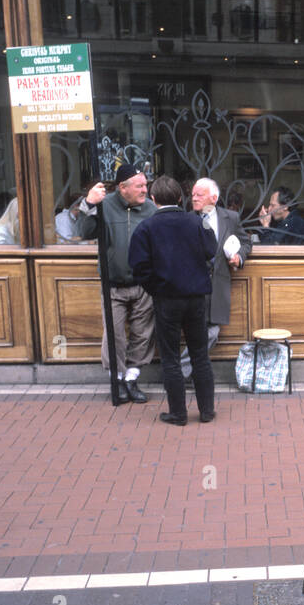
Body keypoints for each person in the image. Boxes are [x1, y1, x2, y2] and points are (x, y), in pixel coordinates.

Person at [128, 174, 217, 426]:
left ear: (153, 199)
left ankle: (178, 413)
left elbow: (139, 267)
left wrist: (156, 288)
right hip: (196, 297)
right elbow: (211, 249)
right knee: (200, 354)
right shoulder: (197, 222)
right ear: (181, 197)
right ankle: (207, 411)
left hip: (167, 299)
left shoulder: (145, 227)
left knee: (170, 357)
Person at [76, 162, 157, 403]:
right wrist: (89, 204)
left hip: (143, 284)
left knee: (143, 334)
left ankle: (132, 378)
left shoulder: (150, 209)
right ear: (123, 187)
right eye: (139, 185)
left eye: (145, 185)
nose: (145, 190)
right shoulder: (105, 205)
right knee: (114, 335)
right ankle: (117, 379)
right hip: (113, 284)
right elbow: (85, 231)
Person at [180, 177, 253, 385]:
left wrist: (239, 257)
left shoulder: (231, 218)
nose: (193, 198)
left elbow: (246, 242)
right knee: (197, 332)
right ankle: (187, 374)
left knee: (212, 332)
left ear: (214, 197)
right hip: (192, 286)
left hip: (218, 285)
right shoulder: (186, 219)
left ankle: (180, 371)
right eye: (192, 194)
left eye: (199, 195)